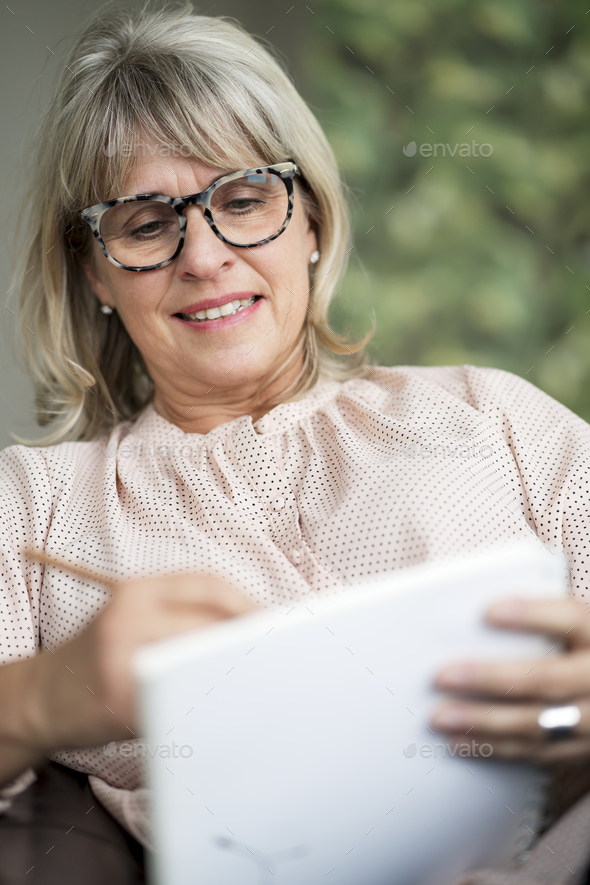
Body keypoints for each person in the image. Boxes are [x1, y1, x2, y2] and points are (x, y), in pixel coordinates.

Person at [1, 3, 590, 884]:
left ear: (310, 221)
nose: (203, 256)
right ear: (93, 270)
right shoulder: (33, 505)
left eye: (243, 200)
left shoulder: (496, 418)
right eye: (146, 223)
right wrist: (45, 696)